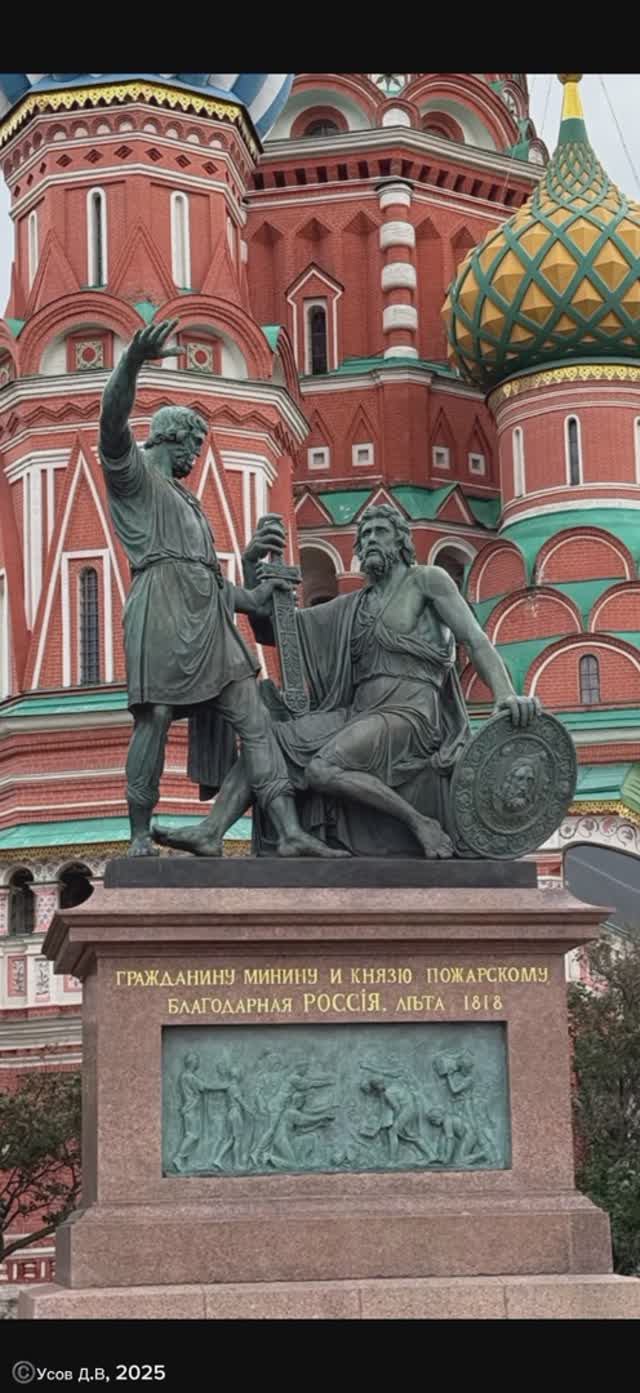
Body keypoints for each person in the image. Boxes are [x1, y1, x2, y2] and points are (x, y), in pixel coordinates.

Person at [154, 505, 541, 858]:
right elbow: (275, 630)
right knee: (267, 738)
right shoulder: (356, 605)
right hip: (360, 713)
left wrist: (506, 695)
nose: (371, 540)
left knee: (322, 769)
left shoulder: (427, 581)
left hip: (411, 717)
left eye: (380, 532)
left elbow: (474, 639)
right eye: (365, 534)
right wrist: (253, 564)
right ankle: (212, 830)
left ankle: (420, 823)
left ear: (402, 541)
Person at [99, 319, 344, 859]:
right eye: (195, 445)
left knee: (257, 718)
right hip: (160, 608)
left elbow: (212, 582)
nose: (197, 456)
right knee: (156, 718)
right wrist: (133, 363)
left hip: (208, 620)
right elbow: (111, 426)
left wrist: (256, 576)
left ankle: (287, 831)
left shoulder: (190, 505)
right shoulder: (136, 478)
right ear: (173, 438)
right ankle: (140, 833)